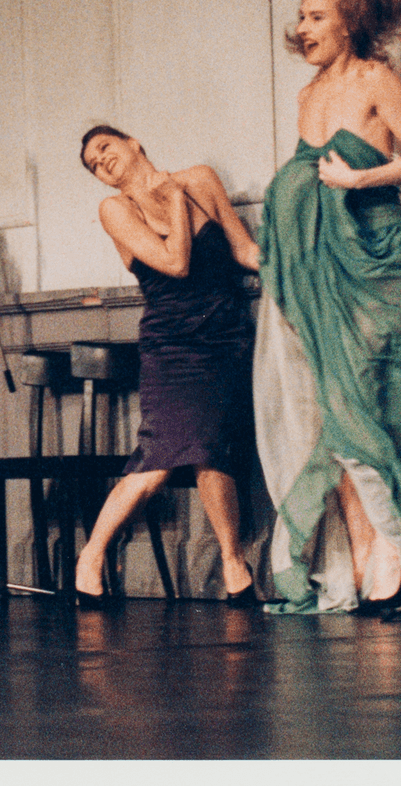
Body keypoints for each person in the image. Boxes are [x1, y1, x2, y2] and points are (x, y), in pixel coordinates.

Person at [254, 0, 401, 613]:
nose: (303, 28)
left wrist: (362, 177)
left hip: (378, 264)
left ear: (349, 23)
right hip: (321, 273)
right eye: (300, 16)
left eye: (317, 16)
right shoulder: (307, 94)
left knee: (377, 411)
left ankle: (400, 554)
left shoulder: (375, 80)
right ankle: (370, 559)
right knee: (340, 414)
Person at [74, 126, 261, 606]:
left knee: (212, 450)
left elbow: (243, 250)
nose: (102, 161)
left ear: (133, 142)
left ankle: (234, 564)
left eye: (105, 148)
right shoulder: (115, 210)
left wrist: (300, 266)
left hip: (226, 336)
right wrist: (174, 199)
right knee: (159, 458)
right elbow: (176, 263)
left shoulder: (201, 178)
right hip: (172, 346)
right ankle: (92, 554)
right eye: (94, 164)